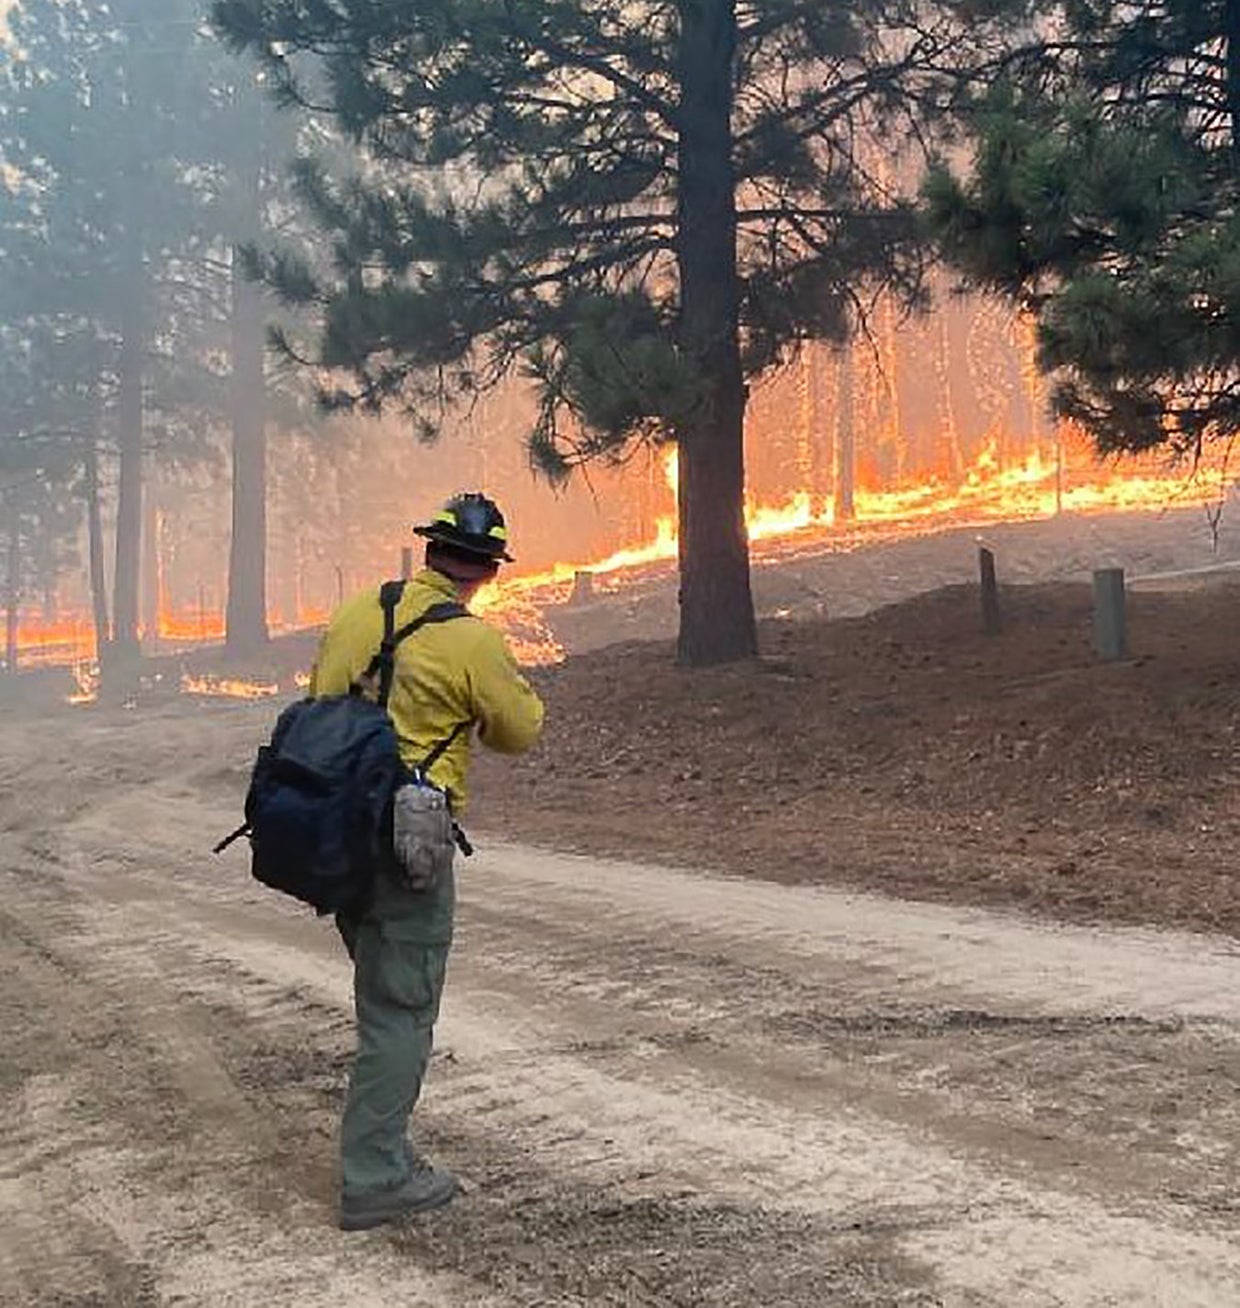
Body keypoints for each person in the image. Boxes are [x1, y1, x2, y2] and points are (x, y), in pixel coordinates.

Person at [309, 492, 545, 1231]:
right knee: (401, 1011)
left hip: (336, 838)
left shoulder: (359, 611)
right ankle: (375, 1174)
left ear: (432, 550)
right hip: (408, 847)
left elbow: (320, 698)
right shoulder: (472, 643)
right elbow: (519, 733)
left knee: (381, 996)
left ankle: (381, 1149)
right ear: (487, 570)